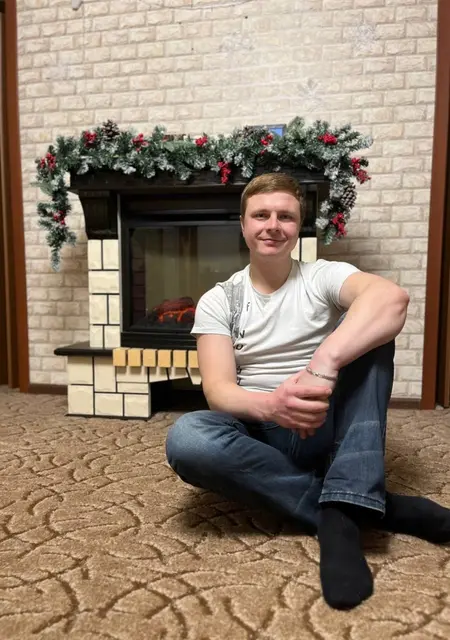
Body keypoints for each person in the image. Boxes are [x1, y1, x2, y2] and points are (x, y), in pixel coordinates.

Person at [166, 173, 450, 610]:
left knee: (374, 330)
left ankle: (341, 507)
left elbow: (392, 299)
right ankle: (354, 507)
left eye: (285, 216)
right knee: (187, 438)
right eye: (261, 215)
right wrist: (272, 406)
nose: (272, 225)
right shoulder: (219, 300)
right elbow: (219, 391)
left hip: (326, 423)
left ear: (299, 226)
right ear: (243, 225)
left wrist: (324, 365)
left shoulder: (322, 276)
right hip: (261, 434)